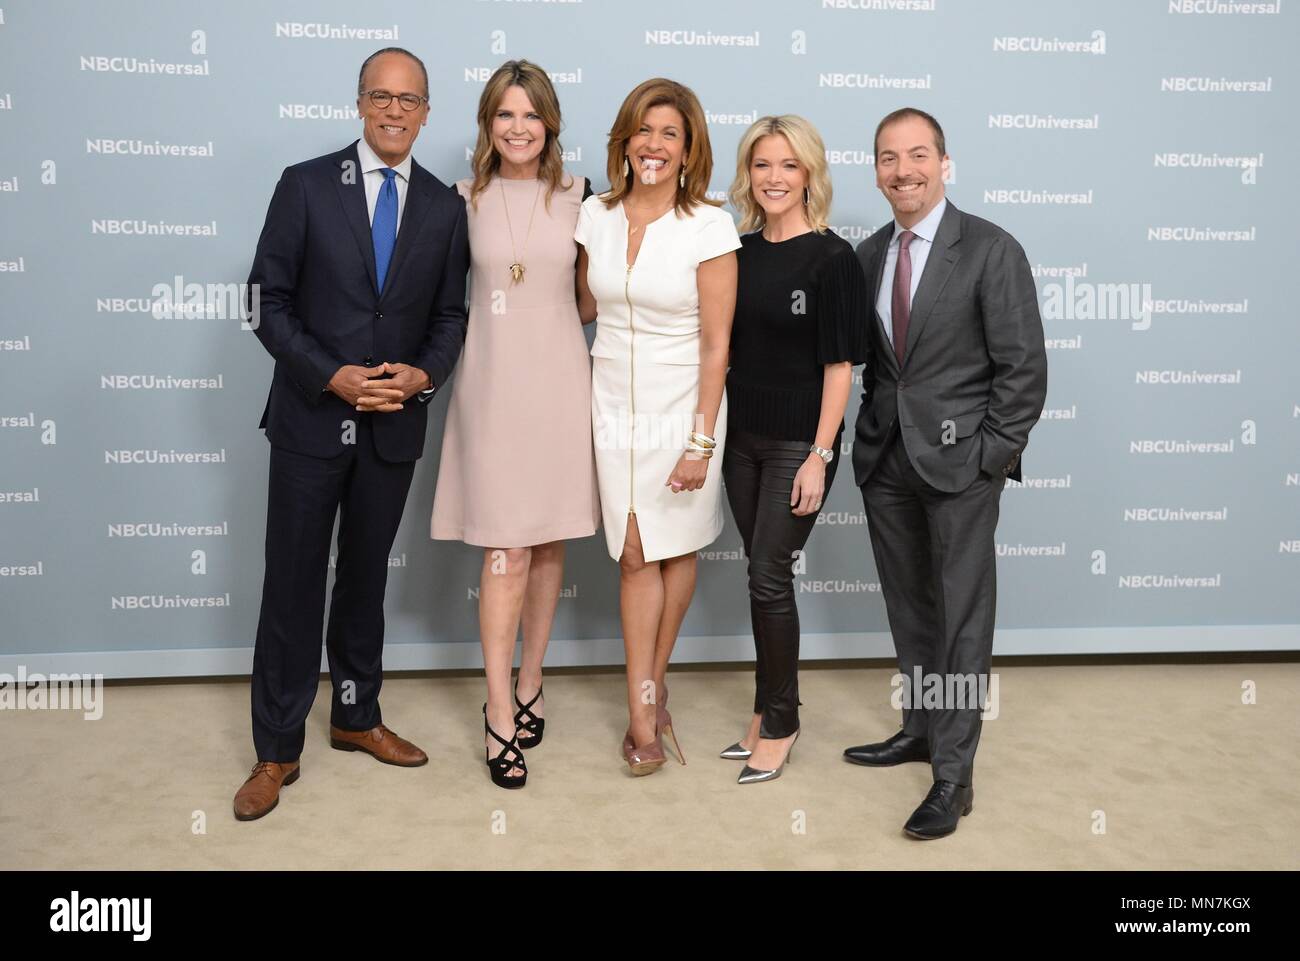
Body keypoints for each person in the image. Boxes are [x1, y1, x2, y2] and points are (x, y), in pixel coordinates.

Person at [234, 47, 469, 820]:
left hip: (393, 428)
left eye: (410, 100)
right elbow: (264, 302)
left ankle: (356, 715)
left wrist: (421, 377)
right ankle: (276, 749)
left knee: (365, 579)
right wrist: (327, 374)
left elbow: (448, 317)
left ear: (427, 112)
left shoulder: (442, 206)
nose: (395, 111)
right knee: (294, 582)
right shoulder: (305, 185)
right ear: (360, 104)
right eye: (381, 96)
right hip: (311, 418)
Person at [843, 108, 1047, 839]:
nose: (905, 170)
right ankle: (922, 727)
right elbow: (872, 368)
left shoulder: (991, 249)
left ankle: (953, 776)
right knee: (911, 608)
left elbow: (1023, 372)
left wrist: (987, 460)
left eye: (919, 154)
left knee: (961, 619)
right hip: (887, 462)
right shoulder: (868, 255)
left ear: (945, 162)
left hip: (963, 465)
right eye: (889, 158)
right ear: (875, 169)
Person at [431, 60, 600, 789]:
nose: (519, 127)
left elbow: (593, 298)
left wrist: (546, 324)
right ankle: (500, 711)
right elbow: (441, 302)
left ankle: (532, 680)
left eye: (532, 115)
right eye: (505, 114)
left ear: (550, 123)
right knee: (505, 550)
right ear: (486, 123)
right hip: (492, 389)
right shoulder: (460, 200)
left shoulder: (582, 197)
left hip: (561, 384)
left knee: (549, 535)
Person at [575, 78, 740, 776]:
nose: (654, 144)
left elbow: (716, 345)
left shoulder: (708, 223)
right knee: (636, 551)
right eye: (644, 130)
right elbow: (582, 306)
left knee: (673, 548)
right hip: (611, 400)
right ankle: (650, 696)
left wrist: (702, 440)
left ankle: (645, 701)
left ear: (689, 146)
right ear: (625, 139)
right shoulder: (594, 214)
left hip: (684, 406)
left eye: (670, 133)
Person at [719, 116, 868, 785]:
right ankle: (765, 708)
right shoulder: (737, 251)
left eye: (788, 165)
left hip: (796, 445)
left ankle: (781, 721)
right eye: (762, 165)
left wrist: (820, 453)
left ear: (810, 174)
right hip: (739, 440)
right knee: (760, 574)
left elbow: (841, 366)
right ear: (748, 173)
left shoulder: (833, 260)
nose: (774, 178)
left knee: (769, 576)